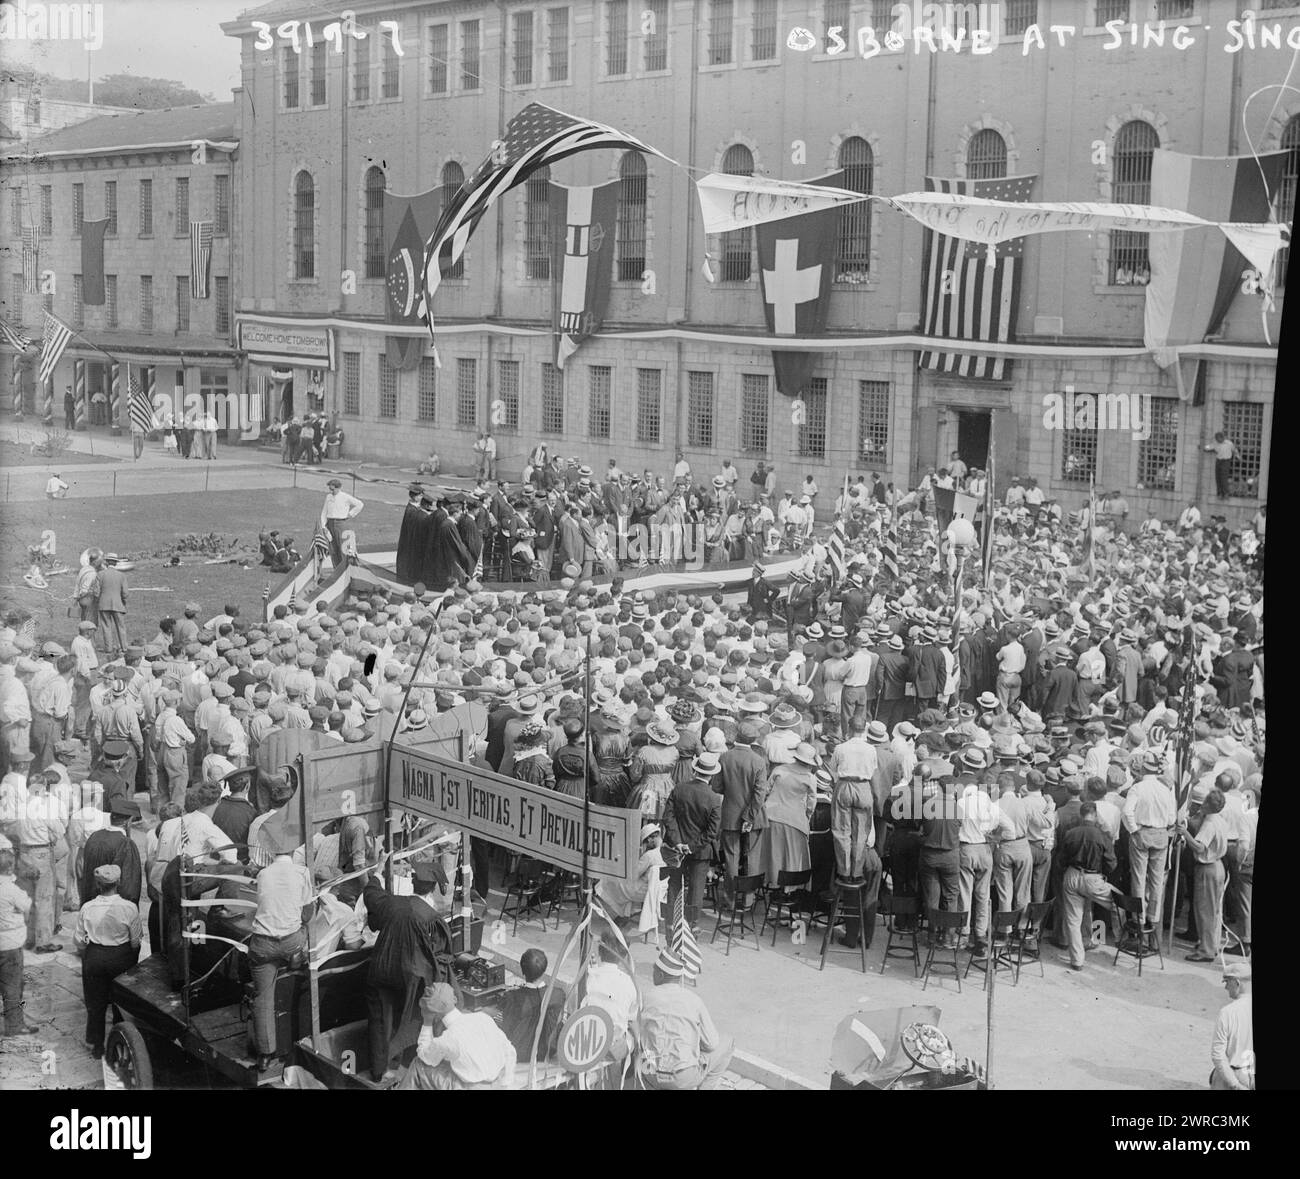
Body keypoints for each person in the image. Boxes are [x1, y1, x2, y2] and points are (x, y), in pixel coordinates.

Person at [362, 862, 458, 1084]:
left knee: (379, 1019)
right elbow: (440, 955)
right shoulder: (433, 918)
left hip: (381, 970)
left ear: (412, 883)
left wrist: (377, 872)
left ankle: (379, 1071)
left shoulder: (393, 903)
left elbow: (371, 894)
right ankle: (399, 1064)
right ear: (433, 888)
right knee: (405, 1018)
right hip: (412, 978)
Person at [248, 839, 315, 1072]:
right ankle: (296, 955)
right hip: (291, 942)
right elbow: (308, 912)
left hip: (263, 945)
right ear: (292, 850)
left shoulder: (264, 874)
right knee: (305, 927)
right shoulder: (303, 872)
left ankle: (265, 1055)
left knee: (262, 998)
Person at [636, 947, 735, 1090]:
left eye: (654, 971)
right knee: (728, 1041)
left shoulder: (645, 997)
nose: (652, 974)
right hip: (682, 1078)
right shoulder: (694, 1001)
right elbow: (711, 1044)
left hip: (649, 1072)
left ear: (661, 975)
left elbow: (634, 1033)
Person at [73, 863, 142, 1058]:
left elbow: (78, 941)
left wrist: (90, 954)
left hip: (95, 957)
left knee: (95, 1003)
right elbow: (135, 941)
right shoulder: (129, 908)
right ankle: (123, 1039)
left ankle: (97, 1045)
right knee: (123, 1002)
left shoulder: (87, 908)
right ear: (118, 882)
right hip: (121, 957)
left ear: (97, 884)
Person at [398, 980, 517, 1090]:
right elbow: (510, 1050)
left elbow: (424, 1055)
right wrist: (506, 1082)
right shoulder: (483, 1018)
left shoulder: (447, 1039)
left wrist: (427, 1022)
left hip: (470, 1087)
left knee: (418, 1064)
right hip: (498, 1081)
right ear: (455, 999)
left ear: (434, 1014)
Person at [662, 752, 722, 929]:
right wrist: (692, 846)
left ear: (695, 770)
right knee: (696, 890)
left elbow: (668, 818)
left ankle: (670, 924)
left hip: (676, 849)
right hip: (700, 851)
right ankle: (692, 926)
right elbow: (712, 832)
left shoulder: (679, 788)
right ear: (711, 775)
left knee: (674, 885)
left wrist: (678, 842)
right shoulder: (714, 798)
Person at [1055, 801, 1117, 971]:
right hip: (1094, 877)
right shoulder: (1103, 835)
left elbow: (1060, 860)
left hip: (1072, 874)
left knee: (1073, 919)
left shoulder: (1070, 833)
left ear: (1081, 815)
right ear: (1095, 815)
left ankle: (1077, 960)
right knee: (1118, 904)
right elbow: (1112, 864)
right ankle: (1110, 939)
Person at [498, 947, 565, 1063]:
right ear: (544, 969)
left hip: (521, 1056)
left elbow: (507, 1029)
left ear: (523, 971)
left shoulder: (512, 997)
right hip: (548, 1053)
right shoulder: (558, 994)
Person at [0, 846, 38, 1037]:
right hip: (10, 945)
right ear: (10, 868)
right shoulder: (12, 890)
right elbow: (27, 907)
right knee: (13, 986)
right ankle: (14, 1025)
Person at [1210, 962, 1254, 1090]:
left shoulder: (1228, 1012)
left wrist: (1235, 1085)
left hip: (1233, 1074)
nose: (1226, 988)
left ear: (1237, 982)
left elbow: (1218, 1055)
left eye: (1227, 982)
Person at [320, 479, 364, 567]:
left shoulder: (345, 497)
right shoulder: (328, 497)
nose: (331, 491)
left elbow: (360, 504)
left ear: (338, 488)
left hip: (341, 524)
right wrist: (323, 526)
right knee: (333, 549)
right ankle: (336, 570)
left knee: (343, 549)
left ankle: (346, 570)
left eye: (333, 489)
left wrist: (350, 514)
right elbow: (324, 512)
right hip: (330, 524)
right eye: (330, 489)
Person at [96, 555, 129, 657]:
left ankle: (108, 648)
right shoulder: (121, 575)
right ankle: (124, 647)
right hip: (117, 604)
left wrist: (98, 600)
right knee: (121, 627)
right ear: (116, 563)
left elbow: (96, 592)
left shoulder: (100, 574)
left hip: (103, 604)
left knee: (106, 626)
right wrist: (123, 601)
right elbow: (125, 593)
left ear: (106, 562)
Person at [1204, 432, 1237, 499]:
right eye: (1216, 439)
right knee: (1218, 477)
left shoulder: (1229, 443)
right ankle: (1220, 493)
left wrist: (1238, 457)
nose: (1217, 440)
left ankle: (1226, 493)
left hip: (1226, 461)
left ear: (1222, 438)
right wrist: (1202, 447)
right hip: (1219, 461)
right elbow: (1209, 447)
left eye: (1218, 439)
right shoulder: (1215, 444)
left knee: (1224, 477)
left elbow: (1234, 450)